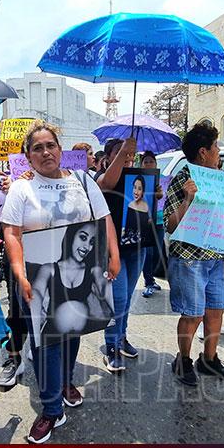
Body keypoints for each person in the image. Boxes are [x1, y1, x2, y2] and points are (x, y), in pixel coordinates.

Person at [0, 120, 119, 444]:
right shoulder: (21, 188)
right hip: (39, 275)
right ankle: (51, 409)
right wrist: (20, 273)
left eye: (50, 145)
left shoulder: (82, 180)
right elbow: (11, 232)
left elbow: (103, 217)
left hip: (79, 270)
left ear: (60, 149)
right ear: (28, 156)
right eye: (37, 148)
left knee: (72, 331)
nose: (45, 152)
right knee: (44, 342)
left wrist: (114, 254)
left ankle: (65, 381)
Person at [163, 122, 224, 386]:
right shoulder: (183, 179)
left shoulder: (223, 178)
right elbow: (170, 224)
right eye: (216, 146)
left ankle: (210, 359)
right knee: (193, 314)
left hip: (215, 257)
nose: (219, 151)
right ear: (203, 152)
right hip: (190, 259)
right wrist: (187, 199)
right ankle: (183, 360)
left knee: (216, 310)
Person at [95, 136, 145, 373]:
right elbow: (107, 183)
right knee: (118, 300)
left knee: (127, 298)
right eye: (119, 154)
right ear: (106, 159)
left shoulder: (137, 181)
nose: (127, 158)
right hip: (113, 251)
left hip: (136, 248)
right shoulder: (101, 179)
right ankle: (111, 347)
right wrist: (124, 150)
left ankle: (121, 337)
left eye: (129, 155)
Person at [29, 221, 113, 338]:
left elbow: (106, 290)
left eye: (92, 242)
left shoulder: (94, 271)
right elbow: (35, 298)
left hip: (76, 337)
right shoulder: (49, 269)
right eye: (83, 237)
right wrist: (36, 338)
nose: (86, 246)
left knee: (70, 355)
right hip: (51, 338)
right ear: (71, 236)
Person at [140, 151, 164, 298]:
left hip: (159, 221)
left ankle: (152, 279)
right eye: (146, 161)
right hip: (144, 221)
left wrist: (159, 195)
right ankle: (148, 282)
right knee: (147, 253)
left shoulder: (163, 179)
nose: (149, 164)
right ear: (141, 164)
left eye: (151, 161)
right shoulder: (138, 180)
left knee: (157, 252)